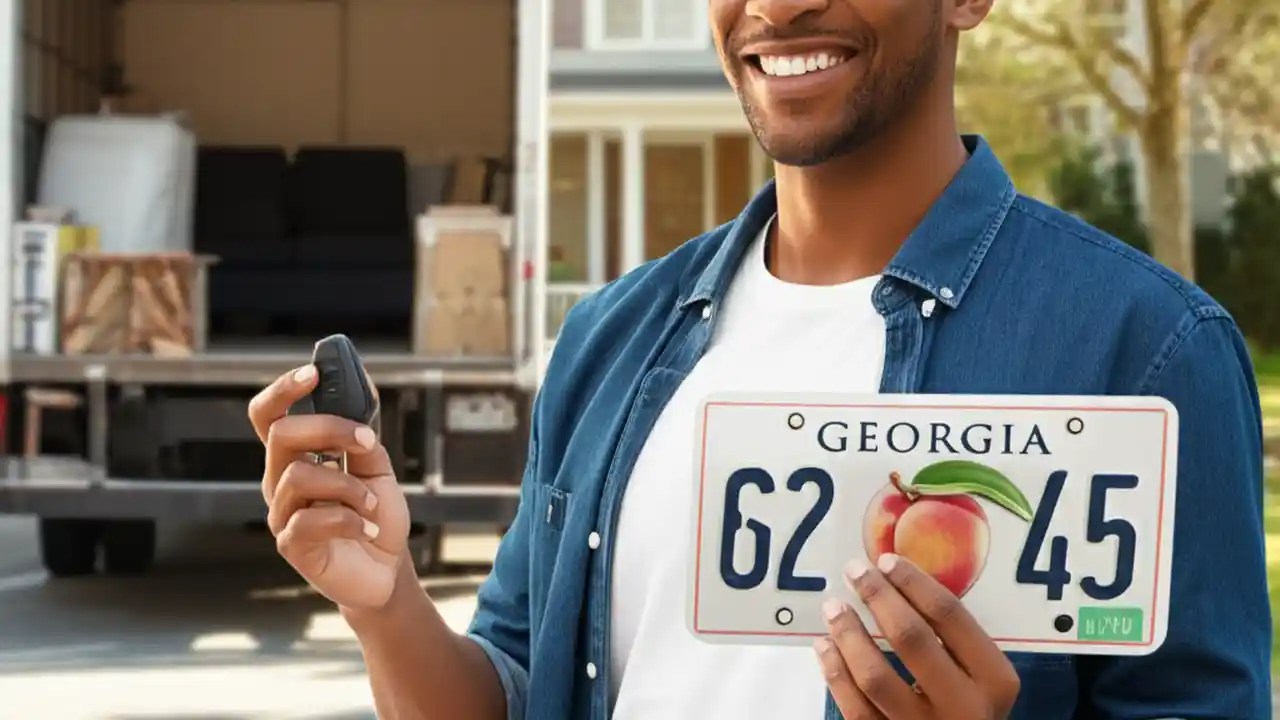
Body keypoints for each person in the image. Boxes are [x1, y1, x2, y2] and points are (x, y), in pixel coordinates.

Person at [247, 0, 1272, 718]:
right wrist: (386, 607)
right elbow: (514, 687)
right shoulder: (610, 337)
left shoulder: (1144, 351)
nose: (776, 6)